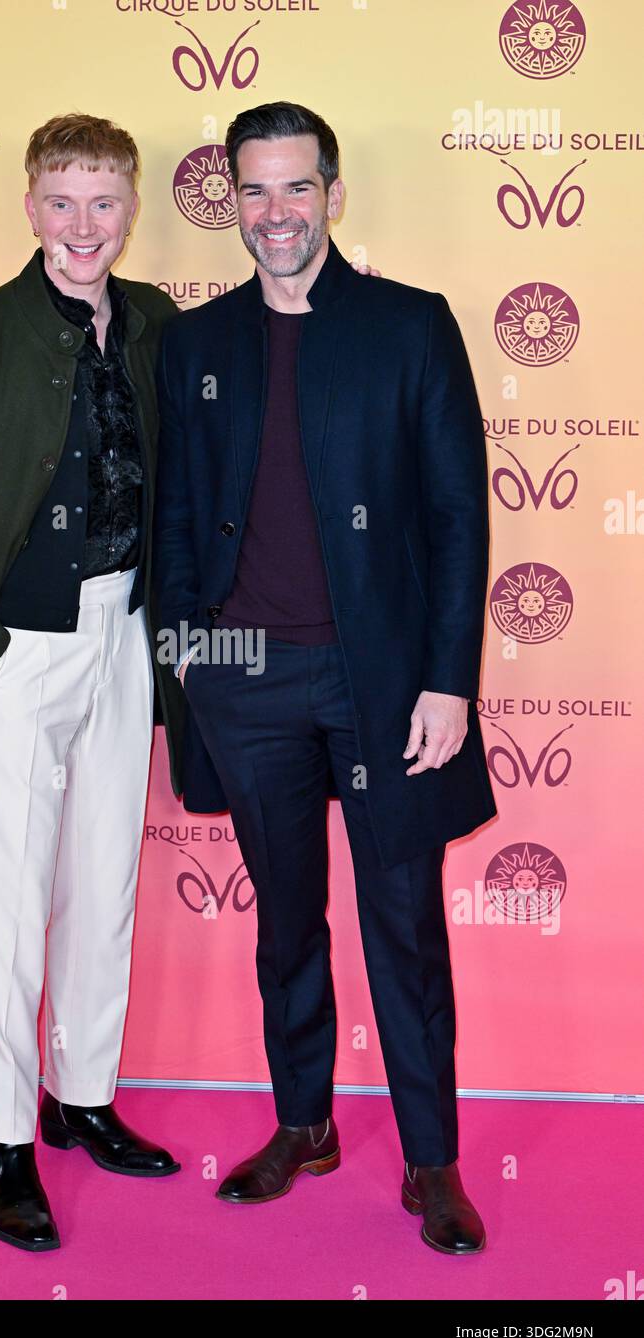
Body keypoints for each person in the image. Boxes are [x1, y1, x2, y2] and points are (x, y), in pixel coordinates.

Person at [152, 101, 498, 1255]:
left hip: (382, 685)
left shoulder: (408, 328)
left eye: (295, 188)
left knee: (402, 925)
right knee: (285, 925)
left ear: (332, 195)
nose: (275, 213)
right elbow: (171, 520)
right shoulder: (195, 348)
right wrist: (191, 660)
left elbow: (456, 516)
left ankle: (430, 1160)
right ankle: (302, 1124)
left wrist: (447, 681)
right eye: (252, 191)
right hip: (244, 682)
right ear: (231, 205)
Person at [0, 113, 186, 1252]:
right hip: (17, 643)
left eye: (103, 202)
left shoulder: (152, 322)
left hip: (125, 631)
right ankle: (2, 1137)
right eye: (60, 201)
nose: (82, 226)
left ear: (131, 207)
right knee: (11, 903)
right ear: (27, 205)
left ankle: (82, 1097)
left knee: (102, 878)